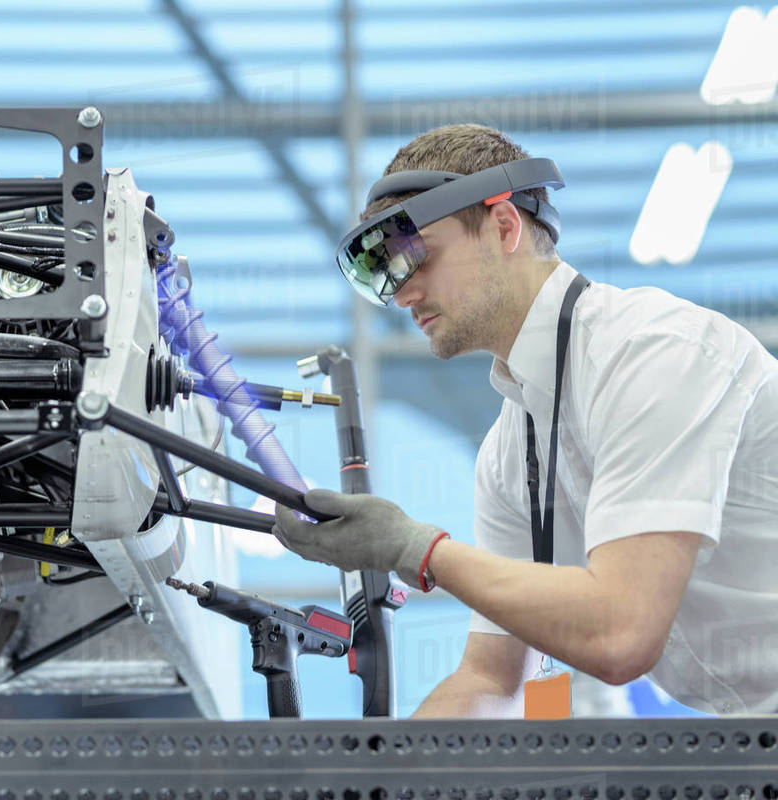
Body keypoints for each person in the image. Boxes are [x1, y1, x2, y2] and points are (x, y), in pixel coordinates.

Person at [273, 124, 778, 717]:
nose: (404, 294)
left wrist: (416, 548)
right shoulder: (513, 447)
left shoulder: (654, 354)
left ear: (505, 226)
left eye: (417, 257)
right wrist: (378, 777)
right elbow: (490, 680)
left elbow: (623, 632)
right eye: (386, 276)